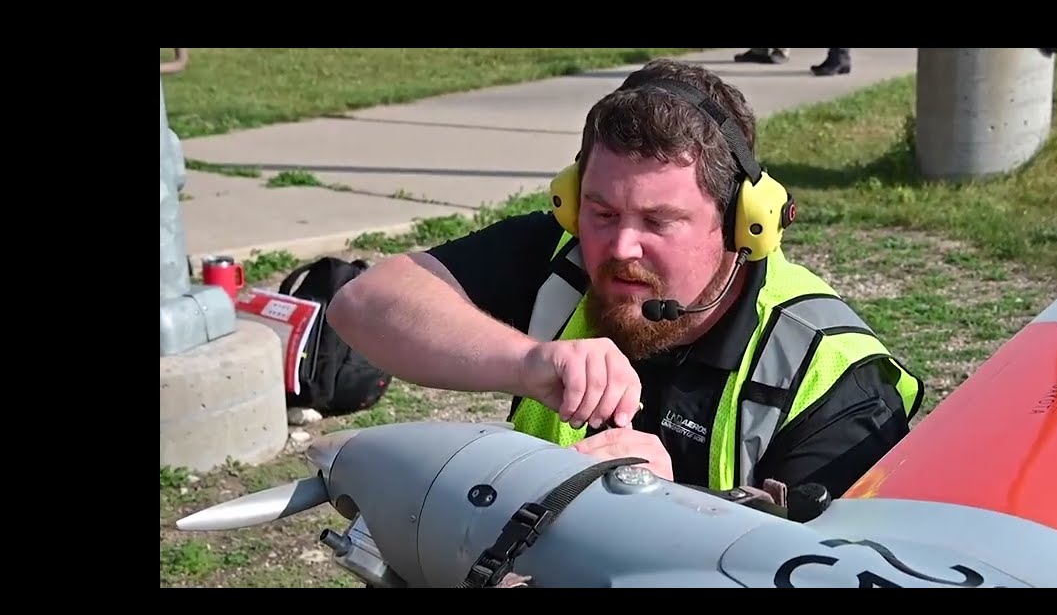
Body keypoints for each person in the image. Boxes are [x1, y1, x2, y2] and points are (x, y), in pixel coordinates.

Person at [326, 58, 924, 499]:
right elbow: (363, 304)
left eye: (659, 221)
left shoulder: (838, 382)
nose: (618, 247)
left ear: (745, 224)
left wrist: (669, 509)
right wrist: (529, 362)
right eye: (602, 212)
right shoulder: (561, 256)